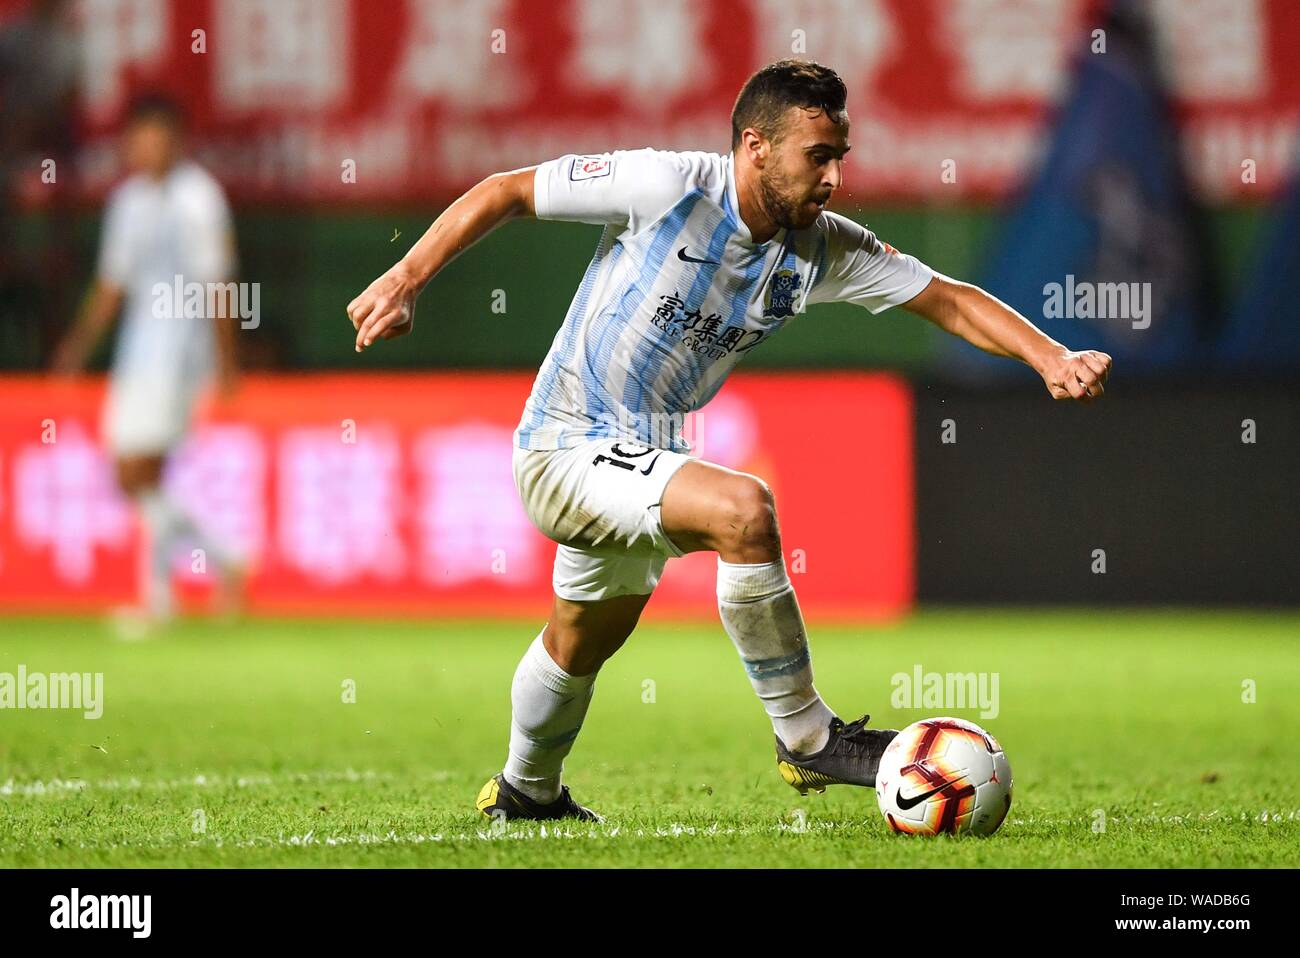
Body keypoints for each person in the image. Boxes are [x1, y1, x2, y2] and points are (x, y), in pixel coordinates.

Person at [346, 60, 1111, 821]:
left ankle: (525, 791)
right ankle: (807, 737)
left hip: (644, 458)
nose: (834, 178)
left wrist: (1051, 356)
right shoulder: (665, 186)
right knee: (745, 510)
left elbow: (946, 298)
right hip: (563, 443)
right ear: (755, 147)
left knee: (581, 639)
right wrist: (407, 277)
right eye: (818, 156)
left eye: (840, 156)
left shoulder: (818, 247)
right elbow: (508, 190)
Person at [51, 94, 245, 635]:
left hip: (182, 354)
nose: (147, 148)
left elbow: (218, 283)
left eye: (158, 137)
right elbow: (112, 286)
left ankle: (158, 600)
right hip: (137, 352)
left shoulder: (200, 198)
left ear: (176, 142)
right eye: (139, 138)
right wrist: (77, 346)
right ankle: (222, 557)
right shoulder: (127, 202)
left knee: (140, 471)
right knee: (133, 474)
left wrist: (227, 362)